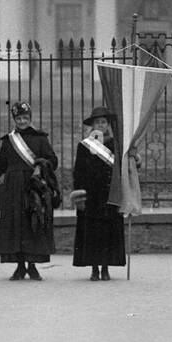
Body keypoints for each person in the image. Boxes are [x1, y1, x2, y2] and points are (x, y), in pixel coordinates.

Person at [0, 101, 60, 280]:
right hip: (13, 188)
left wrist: (42, 164)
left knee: (33, 224)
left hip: (33, 186)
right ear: (14, 120)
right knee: (16, 227)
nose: (22, 121)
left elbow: (53, 160)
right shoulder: (9, 141)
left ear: (30, 118)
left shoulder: (40, 138)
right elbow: (0, 166)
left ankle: (32, 266)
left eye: (25, 118)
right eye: (19, 118)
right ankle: (20, 266)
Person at [70, 107, 125, 280]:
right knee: (92, 232)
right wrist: (80, 194)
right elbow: (78, 171)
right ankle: (94, 268)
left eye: (103, 122)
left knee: (108, 231)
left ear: (108, 125)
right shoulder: (85, 145)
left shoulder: (116, 145)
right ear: (92, 126)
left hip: (109, 193)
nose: (100, 125)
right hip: (91, 195)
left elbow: (123, 169)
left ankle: (106, 267)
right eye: (97, 122)